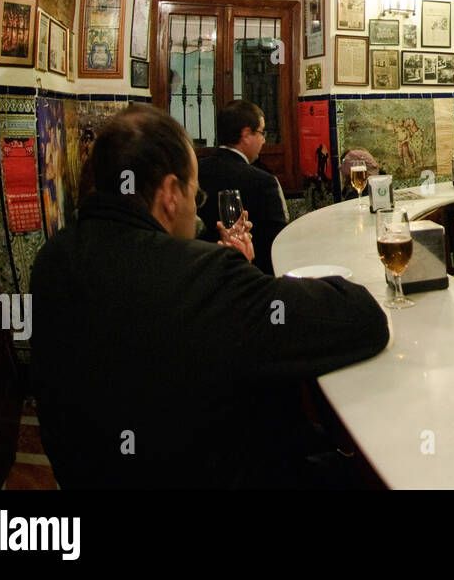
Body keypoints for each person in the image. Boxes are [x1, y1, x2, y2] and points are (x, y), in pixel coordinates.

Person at [30, 105, 390, 489]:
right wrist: (231, 275)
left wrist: (228, 276)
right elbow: (361, 317)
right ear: (170, 193)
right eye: (194, 193)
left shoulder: (52, 260)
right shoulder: (203, 275)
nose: (195, 210)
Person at [197, 99, 289, 275]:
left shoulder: (196, 172)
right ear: (246, 135)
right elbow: (276, 242)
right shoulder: (263, 182)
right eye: (261, 133)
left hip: (203, 275)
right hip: (248, 276)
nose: (263, 140)